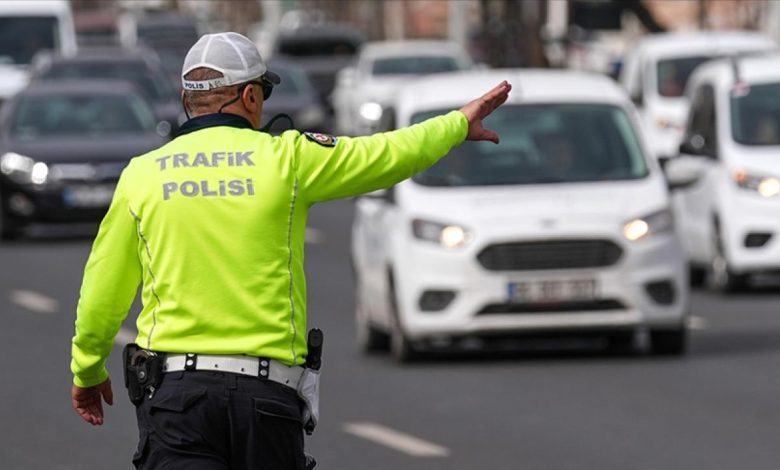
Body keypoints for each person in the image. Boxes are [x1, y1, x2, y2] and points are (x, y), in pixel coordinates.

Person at [70, 32, 511, 469]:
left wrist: (88, 371)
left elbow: (102, 290)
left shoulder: (142, 176)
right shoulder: (289, 159)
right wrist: (456, 125)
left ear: (189, 100)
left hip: (178, 402)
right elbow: (386, 155)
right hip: (267, 399)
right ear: (248, 96)